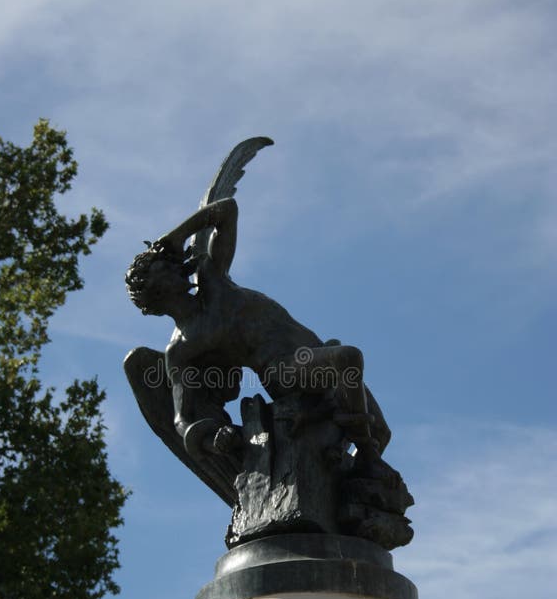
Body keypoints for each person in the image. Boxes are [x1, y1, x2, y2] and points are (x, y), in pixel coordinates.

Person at [125, 198, 390, 465]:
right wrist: (214, 440)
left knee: (382, 432)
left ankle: (346, 462)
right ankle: (367, 457)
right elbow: (182, 419)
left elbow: (227, 210)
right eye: (162, 266)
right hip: (282, 369)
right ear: (155, 289)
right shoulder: (182, 348)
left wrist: (175, 236)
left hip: (314, 350)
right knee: (347, 359)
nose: (173, 262)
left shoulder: (212, 278)